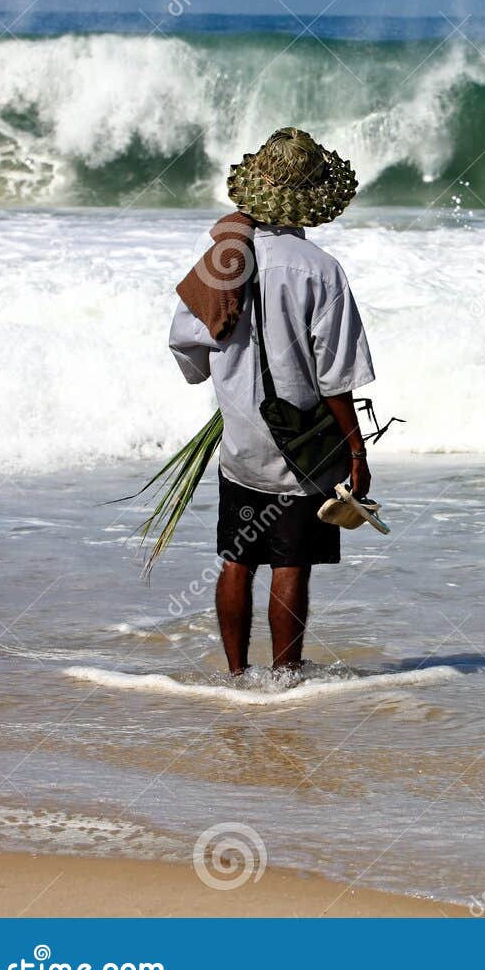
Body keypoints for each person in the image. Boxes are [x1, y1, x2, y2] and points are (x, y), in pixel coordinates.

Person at [167, 127, 374, 676]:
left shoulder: (223, 260)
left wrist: (226, 386)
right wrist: (357, 453)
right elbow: (336, 379)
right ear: (312, 201)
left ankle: (236, 676)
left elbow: (188, 343)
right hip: (302, 446)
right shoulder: (320, 269)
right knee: (291, 562)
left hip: (239, 443)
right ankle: (284, 678)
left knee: (237, 559)